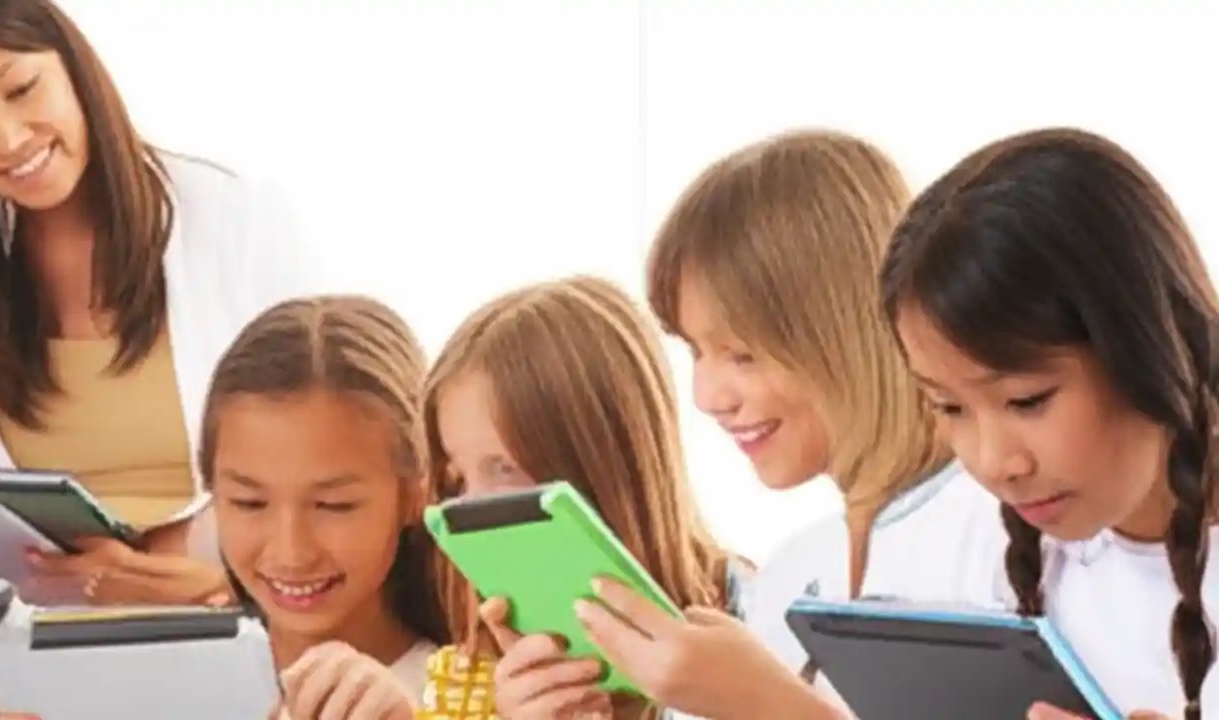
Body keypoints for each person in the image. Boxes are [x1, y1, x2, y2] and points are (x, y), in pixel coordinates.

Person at [571, 129, 1007, 720]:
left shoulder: (1009, 539)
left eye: (741, 354)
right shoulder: (791, 576)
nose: (707, 397)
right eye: (696, 352)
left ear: (850, 329)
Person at [0, 0, 318, 603]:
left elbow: (342, 451)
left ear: (74, 68)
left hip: (240, 612)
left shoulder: (236, 220)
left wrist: (232, 584)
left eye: (21, 89)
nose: (7, 140)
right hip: (48, 645)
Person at [880, 127, 1214, 720]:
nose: (993, 462)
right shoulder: (966, 542)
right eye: (948, 407)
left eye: (1027, 400)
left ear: (1153, 342)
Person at [422, 276, 747, 719]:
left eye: (504, 470)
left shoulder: (754, 622)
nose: (472, 513)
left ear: (601, 465)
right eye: (459, 482)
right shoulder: (477, 678)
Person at [201, 296, 448, 719]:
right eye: (249, 502)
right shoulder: (170, 680)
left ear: (415, 495)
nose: (290, 553)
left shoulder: (499, 696)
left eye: (334, 506)